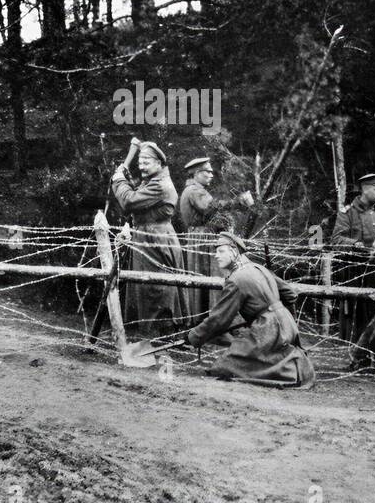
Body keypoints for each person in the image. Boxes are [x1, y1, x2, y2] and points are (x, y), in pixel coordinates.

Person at [183, 231, 314, 388]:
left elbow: (219, 320)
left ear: (234, 251)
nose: (216, 256)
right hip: (287, 325)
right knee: (250, 355)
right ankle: (295, 364)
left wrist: (193, 337)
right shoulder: (259, 268)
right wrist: (282, 317)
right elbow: (291, 294)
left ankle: (293, 371)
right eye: (215, 252)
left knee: (225, 365)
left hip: (268, 330)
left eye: (221, 251)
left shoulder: (236, 280)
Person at [111, 138, 185, 338]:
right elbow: (138, 200)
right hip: (149, 236)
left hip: (156, 240)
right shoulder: (152, 181)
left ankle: (160, 335)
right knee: (148, 287)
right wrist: (128, 181)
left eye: (146, 162)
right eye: (140, 162)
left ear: (159, 164)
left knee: (156, 288)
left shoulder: (159, 185)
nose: (142, 166)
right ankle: (156, 333)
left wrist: (119, 180)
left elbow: (129, 201)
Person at [175, 156, 253, 323]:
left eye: (211, 171)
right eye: (207, 171)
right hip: (202, 236)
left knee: (205, 278)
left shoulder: (196, 190)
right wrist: (238, 201)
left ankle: (206, 320)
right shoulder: (195, 191)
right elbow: (212, 208)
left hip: (200, 235)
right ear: (196, 173)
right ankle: (211, 321)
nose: (211, 174)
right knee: (209, 277)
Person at [330, 172, 375, 345]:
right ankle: (359, 358)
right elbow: (336, 240)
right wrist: (356, 245)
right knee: (359, 318)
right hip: (357, 274)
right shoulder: (347, 213)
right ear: (365, 189)